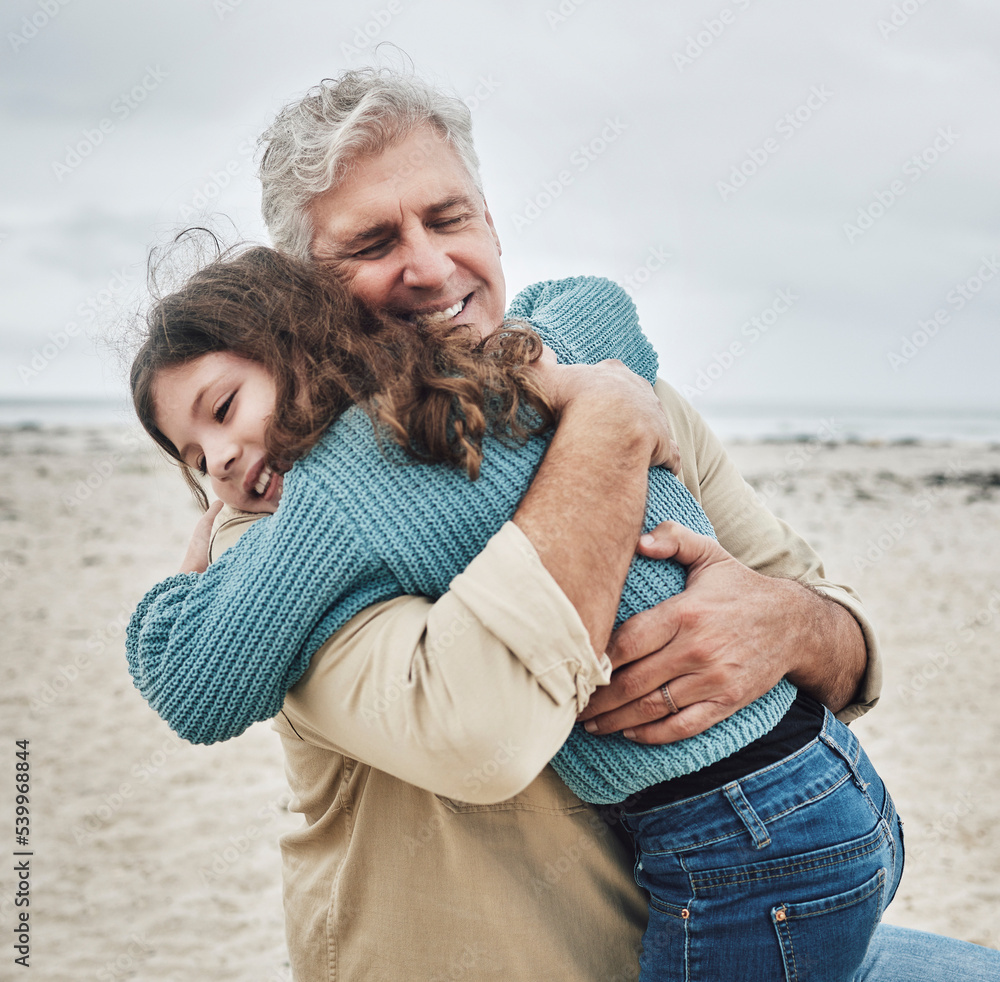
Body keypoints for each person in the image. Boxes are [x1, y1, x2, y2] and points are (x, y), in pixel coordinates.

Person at [136, 68, 997, 980]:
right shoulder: (288, 533)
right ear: (304, 300)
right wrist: (604, 424)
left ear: (493, 223)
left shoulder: (605, 374)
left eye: (449, 217)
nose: (430, 267)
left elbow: (838, 630)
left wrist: (785, 625)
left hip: (765, 875)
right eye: (375, 242)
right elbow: (484, 734)